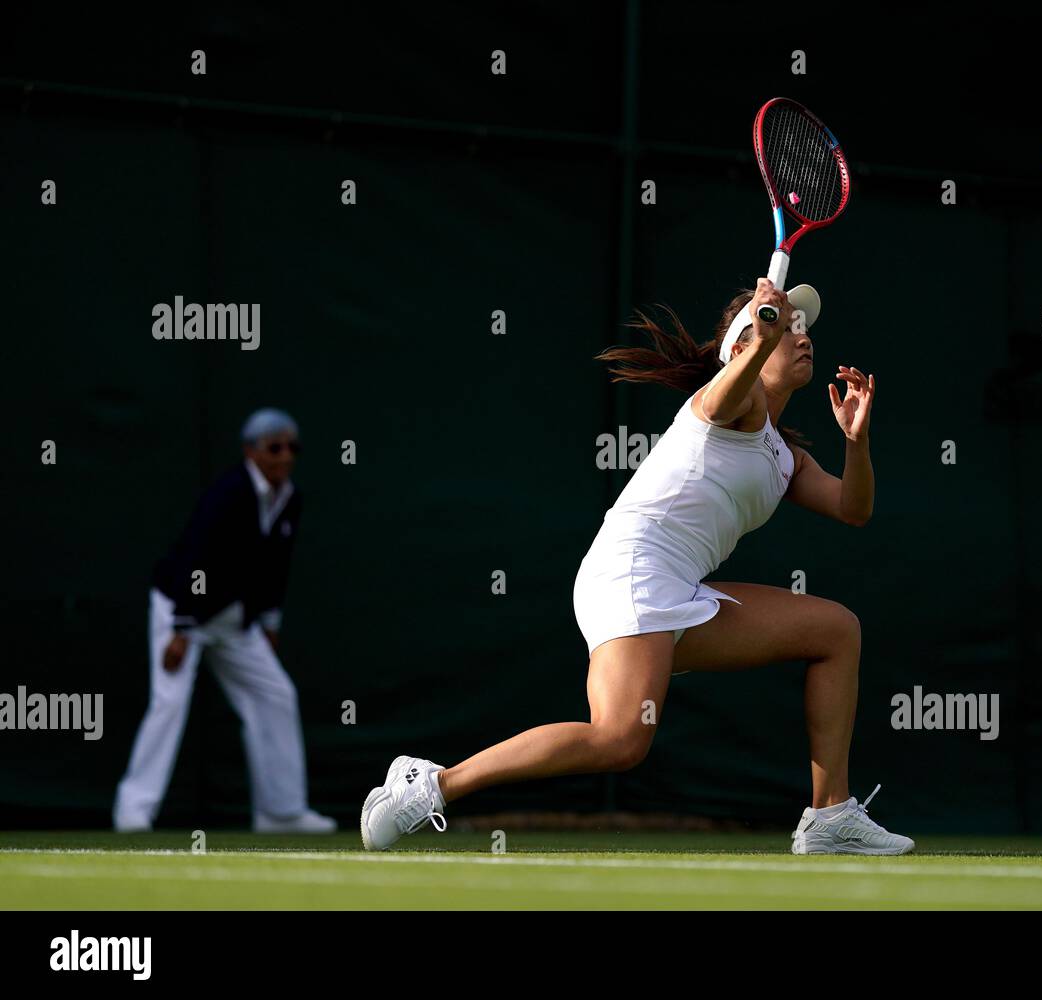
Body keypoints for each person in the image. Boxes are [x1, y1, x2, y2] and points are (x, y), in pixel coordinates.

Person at [361, 279, 912, 854]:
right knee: (620, 739)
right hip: (632, 572)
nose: (802, 339)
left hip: (678, 587)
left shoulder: (784, 455)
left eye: (804, 329)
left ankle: (829, 818)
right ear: (744, 346)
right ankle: (430, 785)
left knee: (835, 630)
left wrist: (856, 441)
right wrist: (755, 341)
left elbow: (854, 508)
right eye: (787, 328)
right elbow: (726, 398)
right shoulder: (728, 404)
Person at [113, 408, 336, 834]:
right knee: (170, 702)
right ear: (251, 451)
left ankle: (281, 812)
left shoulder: (290, 498)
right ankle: (133, 809)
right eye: (275, 447)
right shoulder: (228, 492)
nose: (285, 456)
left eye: (292, 448)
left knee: (277, 695)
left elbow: (276, 567)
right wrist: (181, 628)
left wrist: (269, 621)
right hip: (183, 606)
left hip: (234, 619)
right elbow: (197, 557)